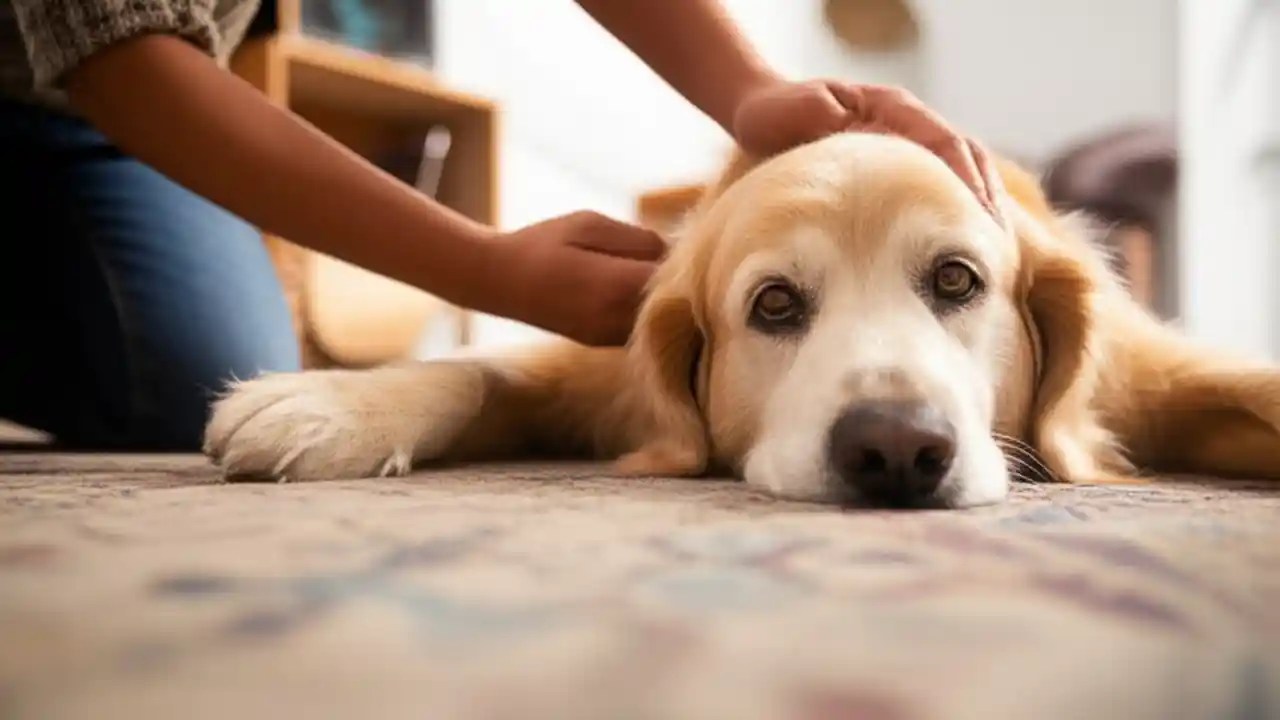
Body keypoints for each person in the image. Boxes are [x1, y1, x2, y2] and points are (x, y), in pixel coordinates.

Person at [0, 0, 1003, 451]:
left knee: (207, 368)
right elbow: (120, 54)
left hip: (96, 108)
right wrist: (485, 270)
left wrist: (747, 89)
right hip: (83, 85)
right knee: (194, 391)